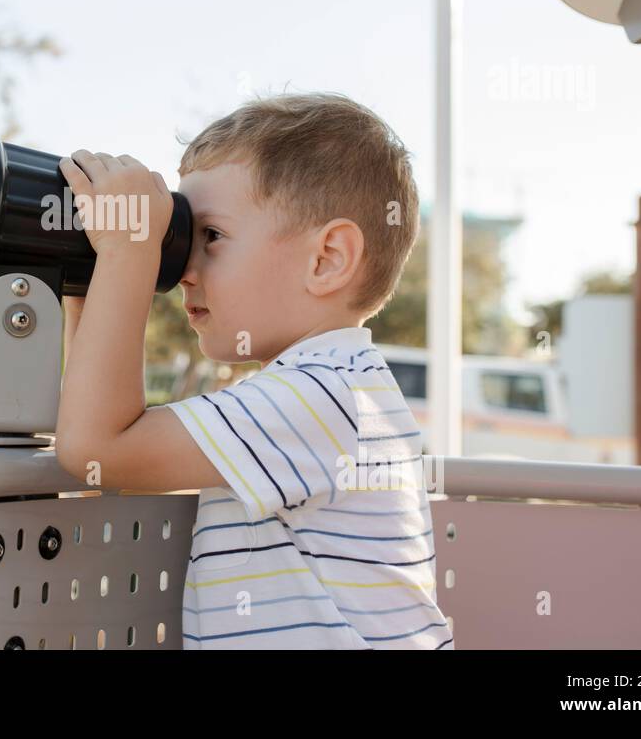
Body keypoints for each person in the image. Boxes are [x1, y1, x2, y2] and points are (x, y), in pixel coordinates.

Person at [54, 92, 452, 649]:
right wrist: (91, 284)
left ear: (327, 258)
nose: (184, 270)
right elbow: (117, 461)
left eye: (210, 236)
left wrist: (128, 257)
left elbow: (98, 450)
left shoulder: (322, 394)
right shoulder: (326, 388)